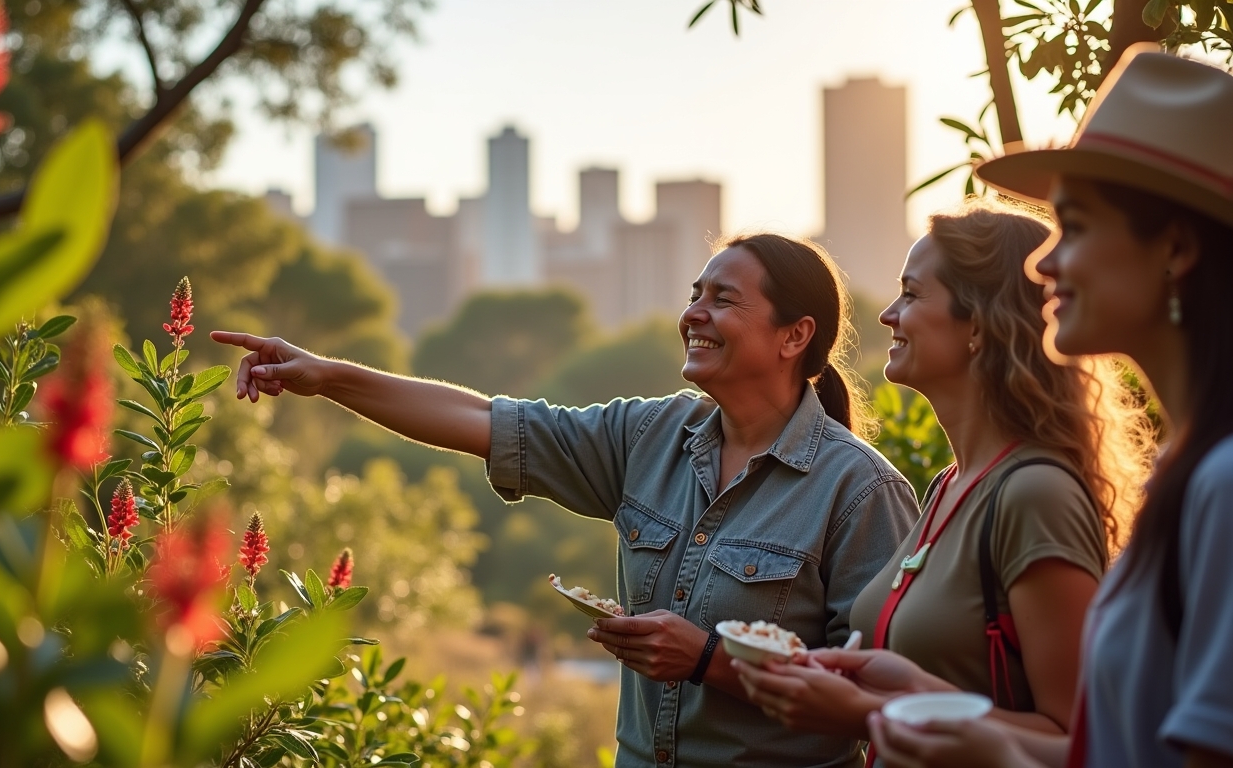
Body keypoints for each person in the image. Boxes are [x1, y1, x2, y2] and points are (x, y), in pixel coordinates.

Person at [212, 233, 919, 767]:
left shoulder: (861, 491)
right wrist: (323, 375)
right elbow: (483, 422)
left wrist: (707, 660)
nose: (693, 314)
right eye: (695, 293)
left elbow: (882, 707)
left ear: (795, 336)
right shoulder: (650, 434)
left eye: (723, 300)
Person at [835, 46, 1233, 768]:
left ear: (1174, 248)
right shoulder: (1186, 475)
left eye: (1074, 227)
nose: (1041, 263)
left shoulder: (1222, 485)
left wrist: (993, 754)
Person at [730, 198, 1152, 757]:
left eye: (911, 293)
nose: (887, 314)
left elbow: (1086, 742)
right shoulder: (949, 486)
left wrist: (867, 710)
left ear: (978, 321)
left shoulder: (1033, 493)